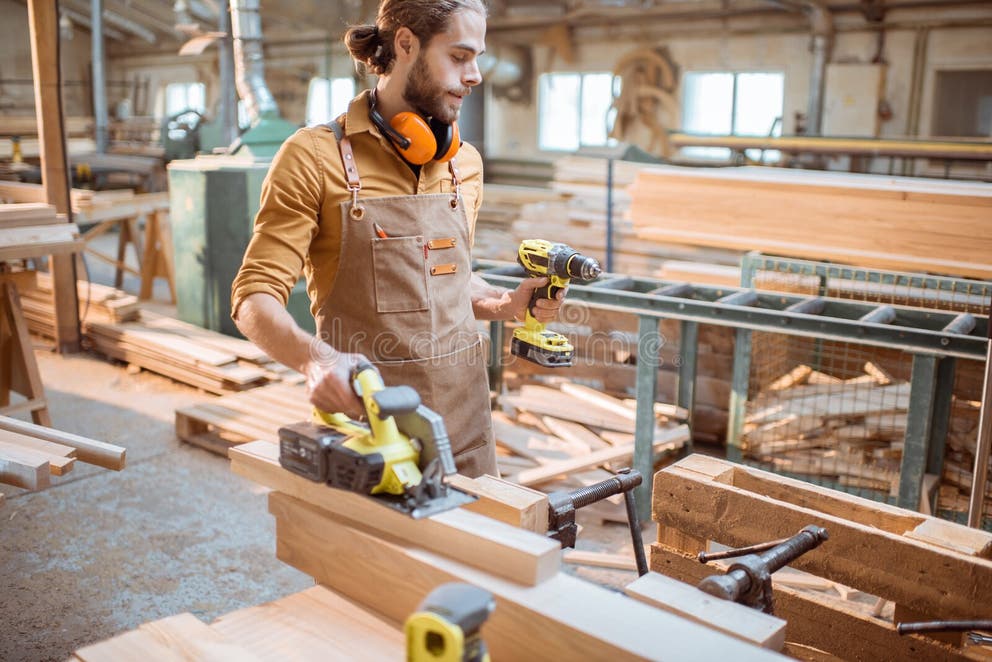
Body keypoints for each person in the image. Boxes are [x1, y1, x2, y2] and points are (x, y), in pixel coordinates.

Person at [230, 0, 566, 477]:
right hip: (371, 435)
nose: (475, 76)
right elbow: (251, 297)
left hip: (468, 430)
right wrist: (312, 360)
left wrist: (505, 304)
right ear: (406, 43)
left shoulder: (463, 164)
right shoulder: (312, 157)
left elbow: (445, 280)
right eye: (459, 56)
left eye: (479, 58)